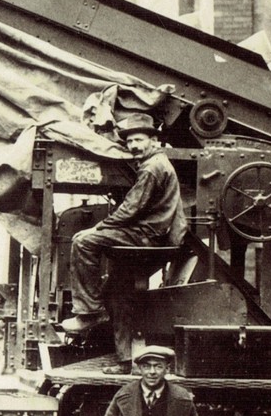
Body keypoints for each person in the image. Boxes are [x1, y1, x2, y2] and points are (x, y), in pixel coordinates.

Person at [61, 113, 187, 336]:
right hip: (146, 233)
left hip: (145, 236)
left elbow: (130, 209)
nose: (133, 146)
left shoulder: (152, 168)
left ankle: (88, 312)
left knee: (83, 241)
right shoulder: (154, 162)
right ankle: (125, 360)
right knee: (117, 290)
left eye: (138, 140)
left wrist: (97, 227)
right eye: (129, 141)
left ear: (153, 141)